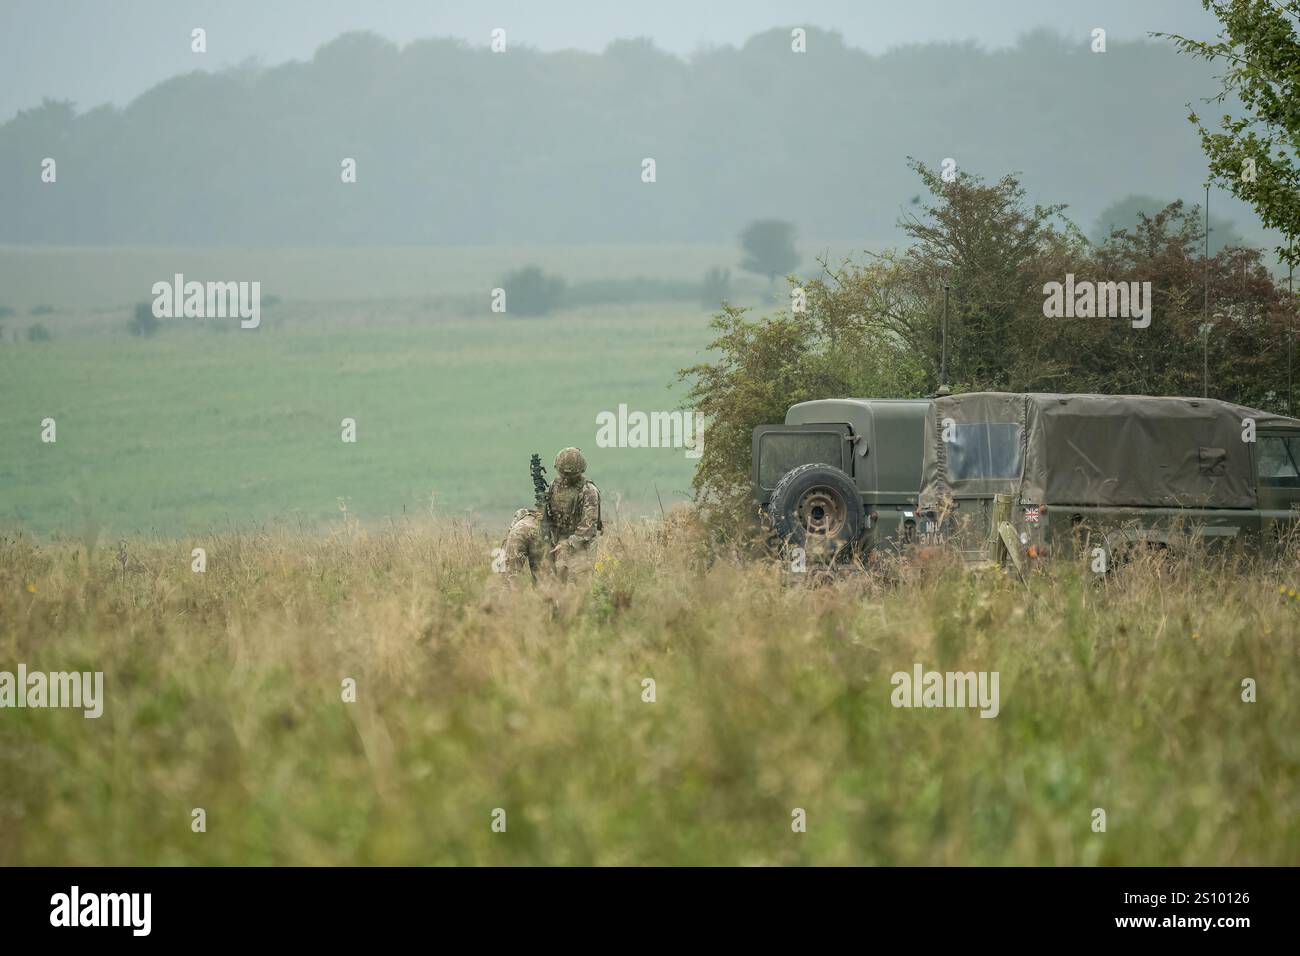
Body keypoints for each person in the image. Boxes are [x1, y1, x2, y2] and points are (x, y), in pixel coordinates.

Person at [504, 447, 601, 581]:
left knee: (567, 582)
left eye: (570, 475)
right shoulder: (554, 485)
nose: (566, 478)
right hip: (555, 537)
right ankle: (507, 586)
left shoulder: (589, 491)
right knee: (520, 531)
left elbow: (588, 530)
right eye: (563, 474)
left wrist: (566, 544)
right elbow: (550, 514)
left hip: (578, 546)